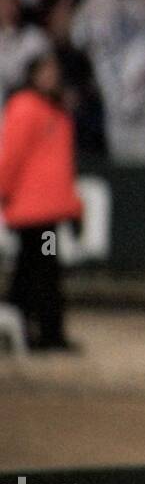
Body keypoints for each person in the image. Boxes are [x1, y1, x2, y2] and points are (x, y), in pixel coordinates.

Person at [0, 52, 83, 351]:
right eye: (45, 71)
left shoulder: (55, 110)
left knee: (36, 272)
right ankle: (41, 334)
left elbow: (62, 167)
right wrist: (4, 192)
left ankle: (33, 332)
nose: (52, 77)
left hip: (49, 209)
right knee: (37, 273)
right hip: (31, 211)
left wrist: (74, 208)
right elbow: (12, 156)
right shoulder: (26, 107)